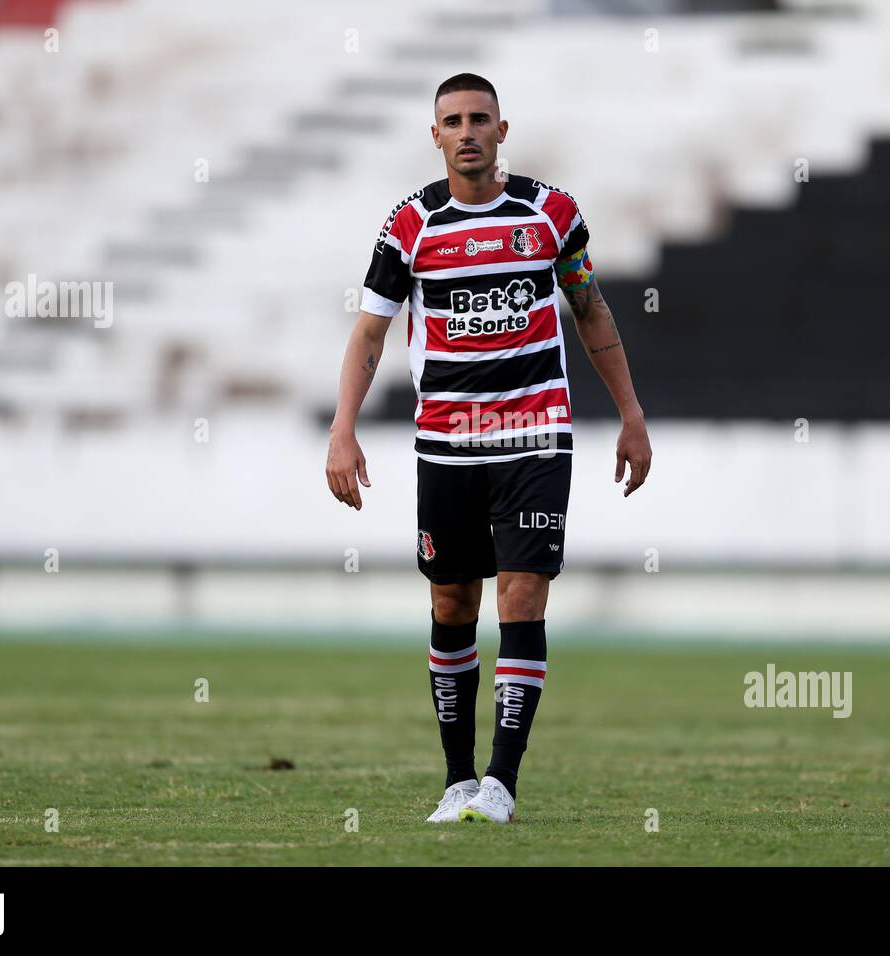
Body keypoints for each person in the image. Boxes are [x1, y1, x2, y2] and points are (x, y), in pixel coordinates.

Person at [325, 73, 652, 823]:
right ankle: (456, 780)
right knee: (451, 601)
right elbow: (370, 334)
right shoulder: (409, 226)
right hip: (446, 444)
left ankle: (502, 783)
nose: (467, 130)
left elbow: (592, 312)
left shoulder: (551, 214)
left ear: (503, 131)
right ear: (433, 134)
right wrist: (343, 426)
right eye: (452, 120)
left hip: (535, 437)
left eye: (480, 118)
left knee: (523, 595)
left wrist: (631, 413)